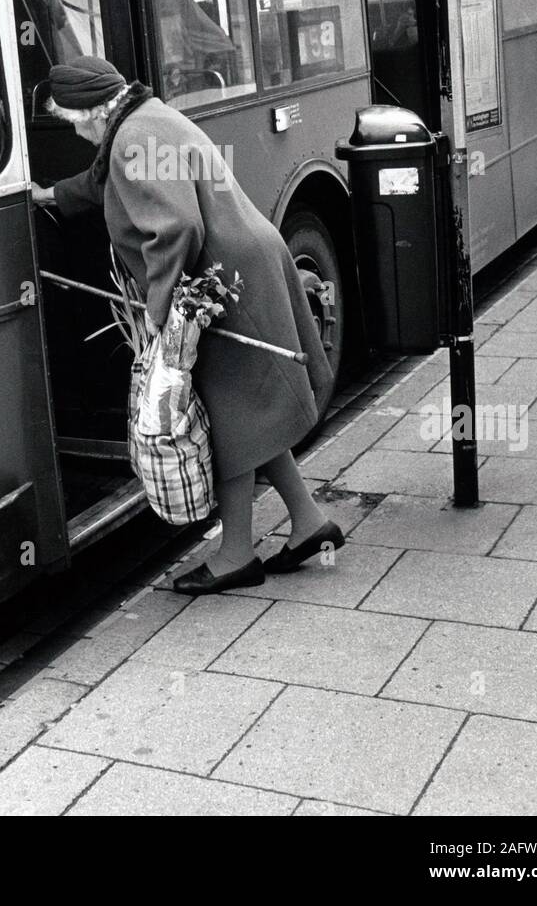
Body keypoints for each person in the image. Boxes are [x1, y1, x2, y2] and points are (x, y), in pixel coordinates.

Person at [31, 54, 344, 596]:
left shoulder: (132, 139)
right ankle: (310, 522)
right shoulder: (143, 119)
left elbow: (176, 229)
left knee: (227, 420)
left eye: (72, 120)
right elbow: (102, 179)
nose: (75, 131)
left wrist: (159, 320)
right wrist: (49, 196)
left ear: (91, 113)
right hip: (243, 268)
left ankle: (235, 556)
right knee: (252, 410)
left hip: (222, 288)